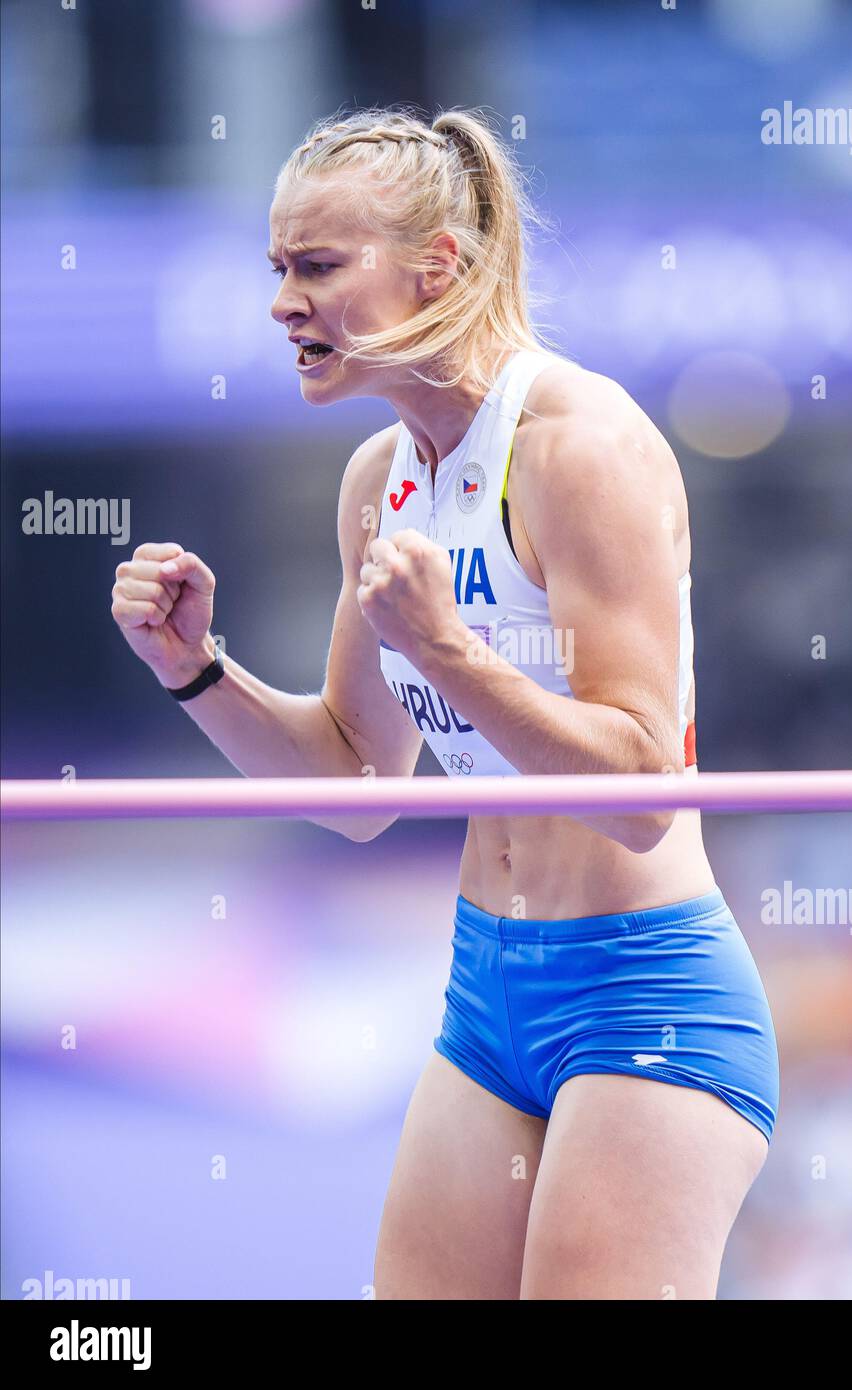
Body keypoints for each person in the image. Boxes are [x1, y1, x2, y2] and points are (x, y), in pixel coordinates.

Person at [110, 106, 779, 1300]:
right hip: (486, 996)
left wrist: (454, 654)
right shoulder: (381, 480)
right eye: (277, 269)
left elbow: (638, 794)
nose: (281, 303)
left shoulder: (583, 445)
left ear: (440, 268)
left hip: (644, 999)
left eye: (317, 267)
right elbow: (358, 785)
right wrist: (194, 670)